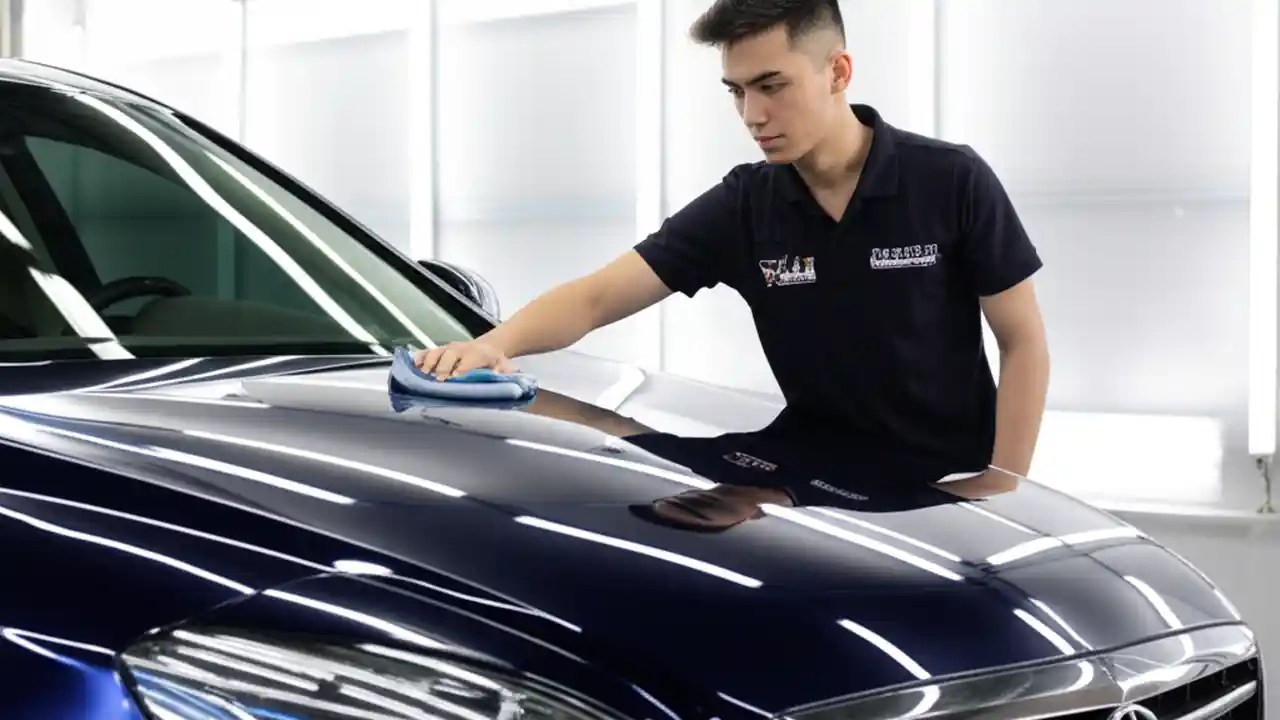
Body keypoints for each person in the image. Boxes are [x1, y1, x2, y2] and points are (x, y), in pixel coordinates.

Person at [415, 0, 1050, 486]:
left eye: (772, 86)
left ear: (838, 71)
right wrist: (493, 344)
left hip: (943, 480)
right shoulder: (747, 202)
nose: (752, 115)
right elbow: (598, 295)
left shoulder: (949, 179)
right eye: (737, 92)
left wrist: (1002, 485)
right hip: (806, 471)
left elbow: (1022, 341)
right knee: (636, 482)